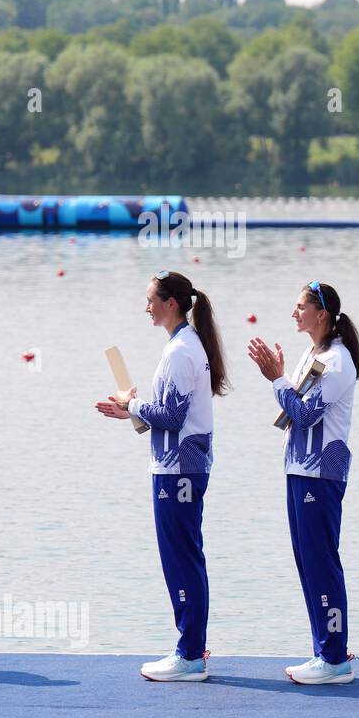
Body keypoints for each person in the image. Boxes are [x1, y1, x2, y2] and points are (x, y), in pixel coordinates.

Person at [96, 270, 229, 682]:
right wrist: (133, 407)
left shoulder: (180, 351)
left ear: (171, 303)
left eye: (151, 299)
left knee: (181, 558)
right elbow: (173, 412)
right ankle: (192, 648)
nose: (146, 307)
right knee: (186, 556)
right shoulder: (184, 345)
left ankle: (189, 654)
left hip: (179, 472)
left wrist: (131, 407)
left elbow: (171, 416)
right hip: (180, 467)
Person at [248, 281, 359, 685]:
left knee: (321, 562)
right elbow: (293, 410)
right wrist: (282, 380)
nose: (294, 313)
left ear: (323, 314)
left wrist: (275, 379)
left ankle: (335, 658)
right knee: (307, 561)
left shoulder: (337, 361)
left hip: (321, 474)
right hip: (299, 469)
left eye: (301, 307)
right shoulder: (311, 354)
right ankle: (324, 650)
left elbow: (306, 413)